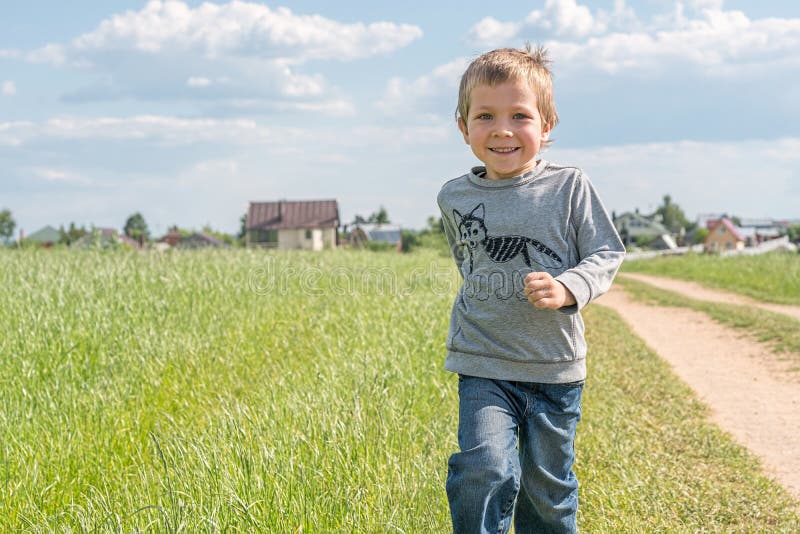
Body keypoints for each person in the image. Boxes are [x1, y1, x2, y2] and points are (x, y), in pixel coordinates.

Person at [437, 44, 625, 533]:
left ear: (547, 124)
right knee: (485, 469)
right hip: (483, 362)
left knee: (547, 490)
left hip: (554, 368)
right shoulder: (454, 197)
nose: (502, 130)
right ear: (463, 127)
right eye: (485, 116)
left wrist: (567, 287)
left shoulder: (569, 188)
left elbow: (607, 253)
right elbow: (469, 264)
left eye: (519, 115)